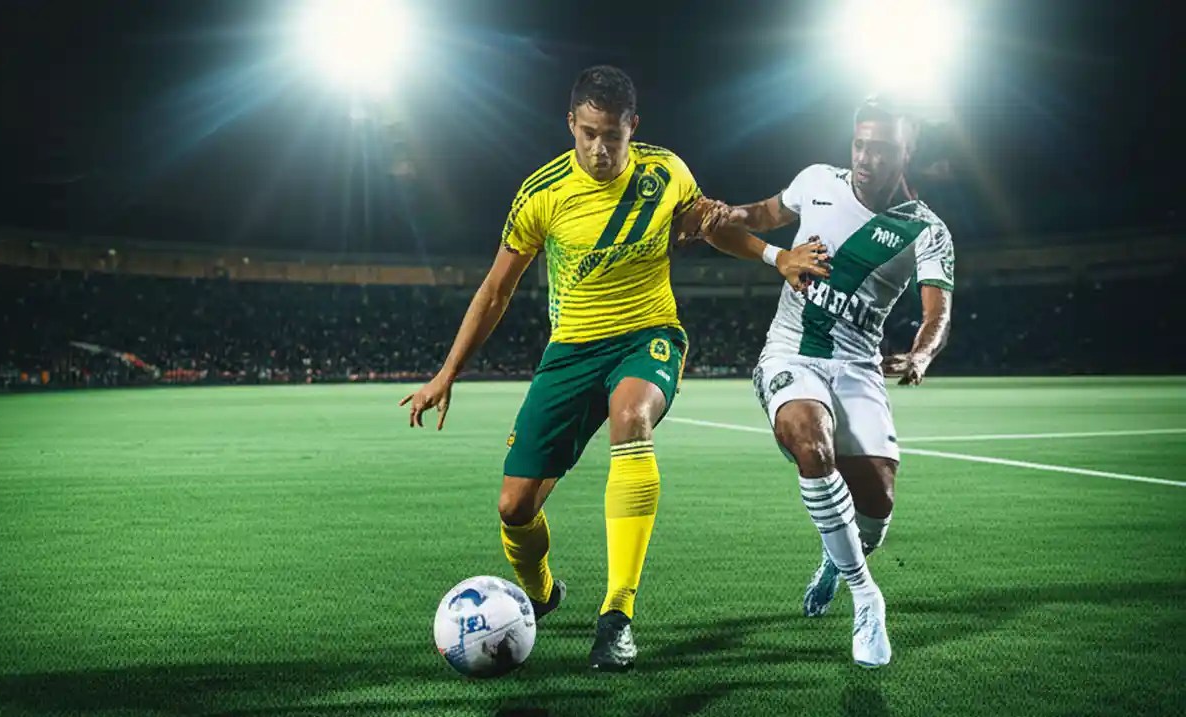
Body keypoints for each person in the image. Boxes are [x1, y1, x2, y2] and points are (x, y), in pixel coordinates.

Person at [401, 65, 827, 671]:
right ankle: (544, 592)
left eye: (613, 135)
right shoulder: (540, 194)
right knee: (514, 508)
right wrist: (448, 372)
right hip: (570, 352)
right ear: (571, 123)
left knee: (632, 417)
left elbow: (712, 226)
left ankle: (617, 616)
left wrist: (777, 255)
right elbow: (497, 289)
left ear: (633, 127)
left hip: (648, 336)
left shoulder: (666, 170)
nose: (600, 149)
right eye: (589, 134)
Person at [701, 95, 955, 667]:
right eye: (860, 143)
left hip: (859, 366)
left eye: (882, 148)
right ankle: (868, 600)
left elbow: (937, 313)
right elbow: (765, 213)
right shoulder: (817, 180)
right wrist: (728, 215)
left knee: (877, 503)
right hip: (791, 353)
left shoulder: (927, 231)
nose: (866, 157)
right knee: (811, 445)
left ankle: (836, 562)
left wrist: (919, 356)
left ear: (907, 151)